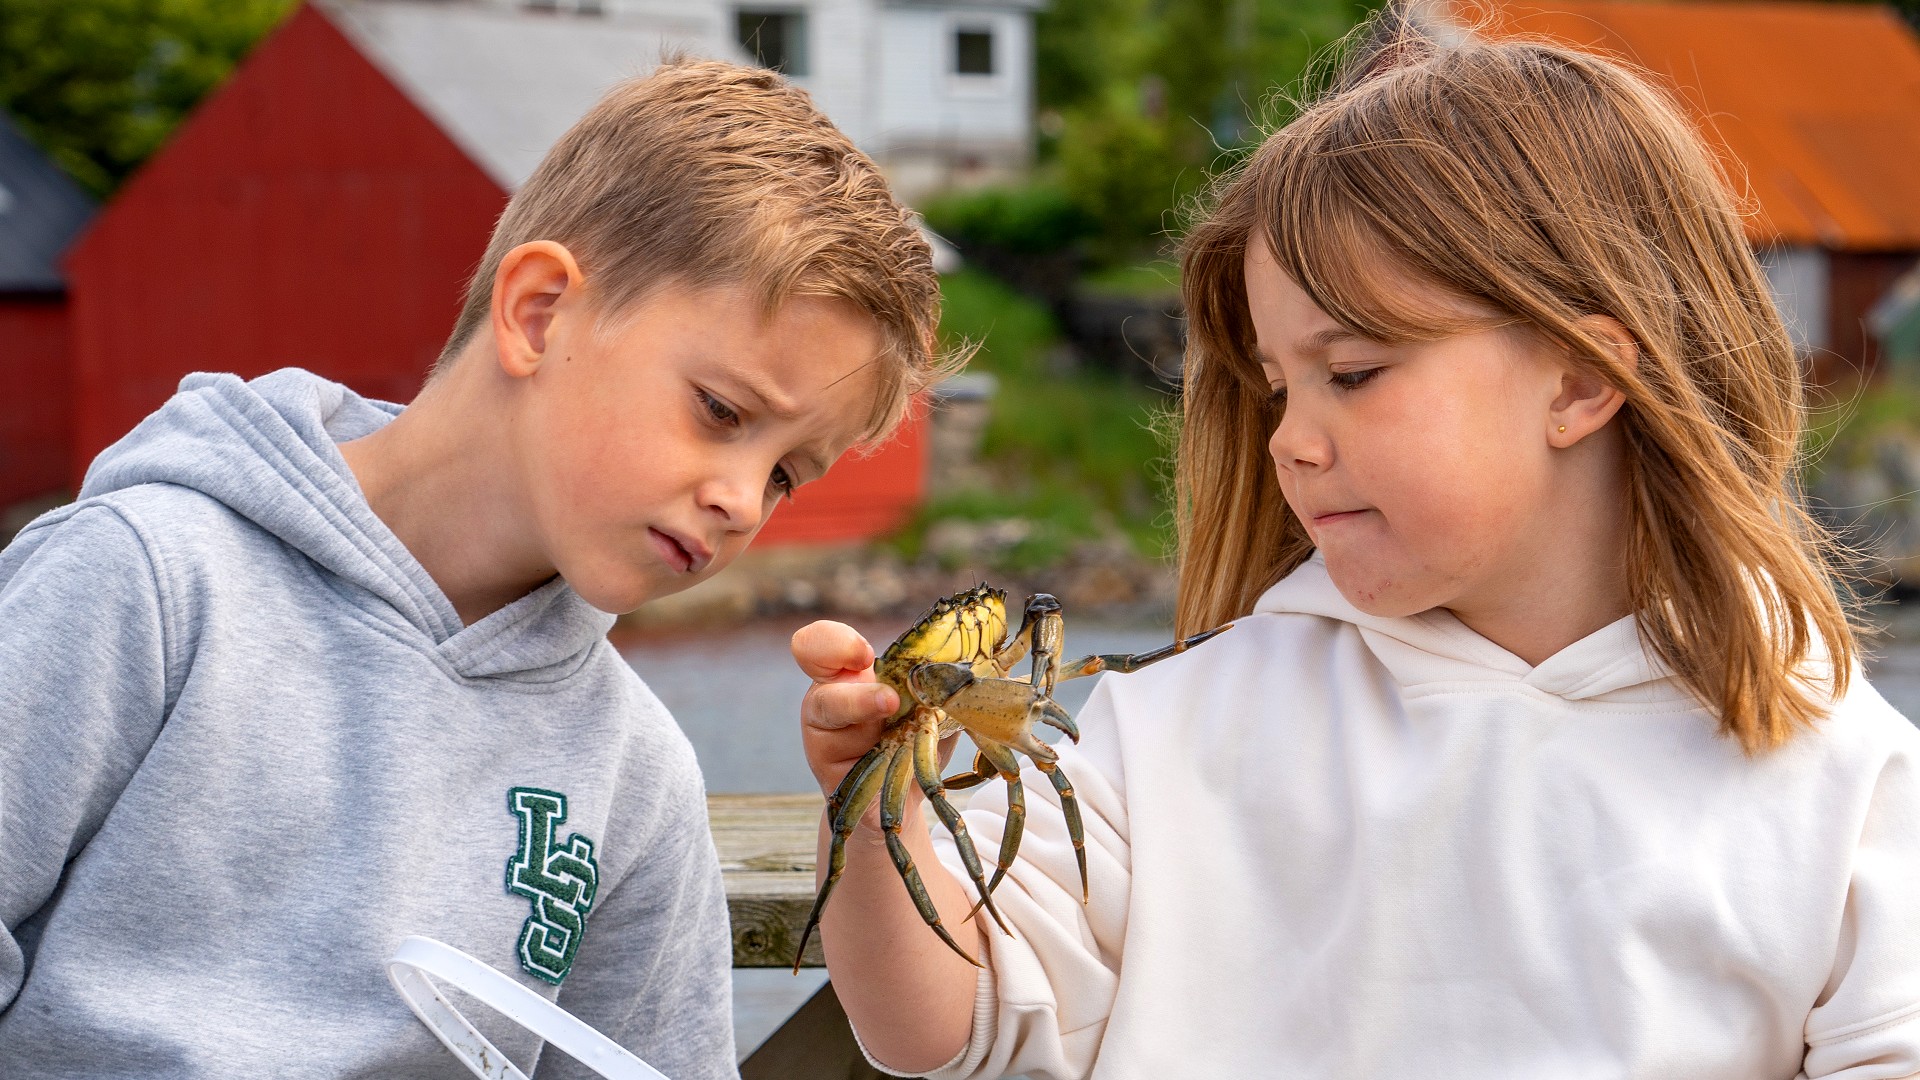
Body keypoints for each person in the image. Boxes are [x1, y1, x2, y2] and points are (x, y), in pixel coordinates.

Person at [791, 14, 1920, 1080]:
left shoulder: (1831, 766)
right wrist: (876, 802)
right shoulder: (1177, 725)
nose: (1290, 439)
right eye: (1278, 387)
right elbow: (945, 1024)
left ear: (1580, 379)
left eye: (1354, 373)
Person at [0, 59, 949, 1078]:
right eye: (721, 411)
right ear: (538, 313)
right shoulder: (142, 586)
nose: (742, 501)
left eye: (786, 477)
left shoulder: (635, 780)